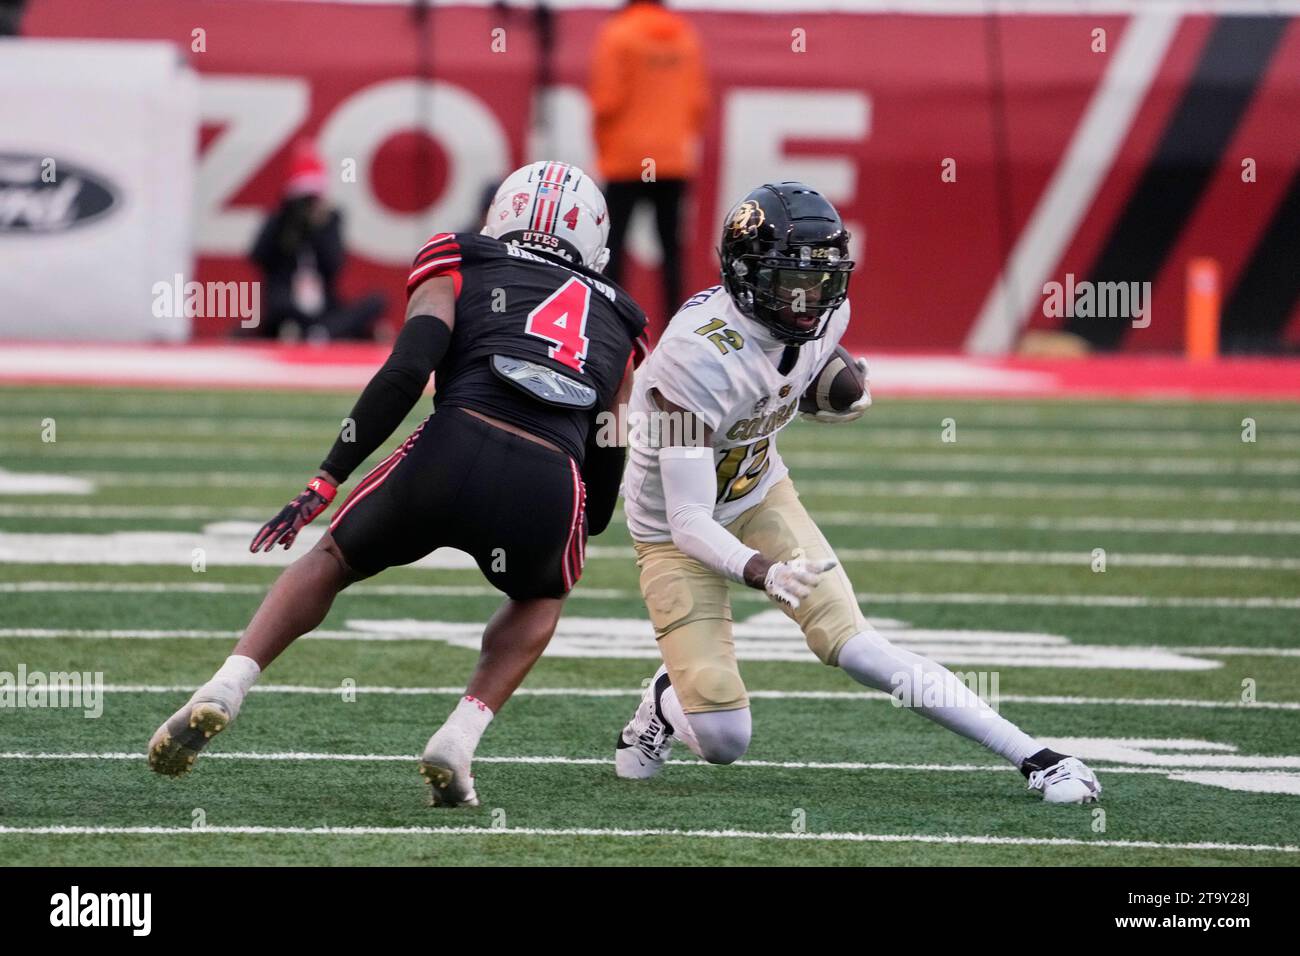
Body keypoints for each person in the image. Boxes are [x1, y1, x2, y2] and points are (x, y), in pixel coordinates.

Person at [148, 161, 648, 807]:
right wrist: (583, 518)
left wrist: (326, 478)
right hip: (549, 478)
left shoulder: (462, 254)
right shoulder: (623, 319)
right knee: (542, 597)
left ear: (501, 215)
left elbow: (407, 367)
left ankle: (228, 683)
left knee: (331, 558)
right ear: (596, 247)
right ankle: (460, 737)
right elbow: (609, 452)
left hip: (452, 444)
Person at [612, 181, 1103, 804]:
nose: (809, 299)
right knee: (723, 740)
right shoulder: (694, 356)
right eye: (791, 280)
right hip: (674, 530)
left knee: (856, 645)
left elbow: (796, 373)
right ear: (745, 276)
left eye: (821, 280)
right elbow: (685, 518)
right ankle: (663, 699)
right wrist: (762, 572)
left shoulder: (827, 315)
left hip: (759, 491)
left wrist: (834, 394)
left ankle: (1036, 756)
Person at [589, 0, 708, 318]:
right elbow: (699, 103)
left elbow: (606, 101)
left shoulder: (618, 34)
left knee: (610, 250)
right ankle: (677, 325)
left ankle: (609, 320)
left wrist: (603, 144)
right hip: (672, 160)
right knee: (672, 251)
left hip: (626, 159)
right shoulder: (685, 35)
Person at [248, 139, 386, 341]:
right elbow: (257, 256)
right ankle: (320, 331)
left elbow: (335, 265)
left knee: (377, 301)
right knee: (279, 306)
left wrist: (320, 230)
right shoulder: (279, 220)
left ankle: (318, 331)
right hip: (287, 302)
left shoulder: (331, 220)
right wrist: (289, 224)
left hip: (325, 306)